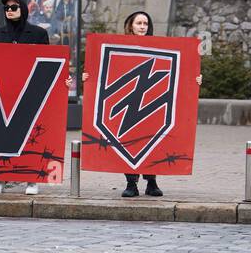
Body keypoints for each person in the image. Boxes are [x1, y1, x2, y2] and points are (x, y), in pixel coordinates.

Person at [80, 10, 202, 199]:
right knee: (127, 139)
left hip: (151, 101)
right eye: (139, 23)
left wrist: (195, 79)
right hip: (127, 100)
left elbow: (181, 70)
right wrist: (88, 77)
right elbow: (103, 69)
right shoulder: (118, 46)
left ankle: (152, 182)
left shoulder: (160, 46)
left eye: (145, 23)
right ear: (130, 26)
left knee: (151, 139)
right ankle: (131, 183)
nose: (143, 27)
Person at [0, 0, 60, 196]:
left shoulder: (37, 34)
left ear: (23, 10)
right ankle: (0, 177)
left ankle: (32, 179)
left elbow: (47, 62)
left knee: (31, 136)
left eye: (14, 7)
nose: (10, 11)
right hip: (4, 90)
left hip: (30, 89)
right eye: (7, 8)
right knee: (1, 135)